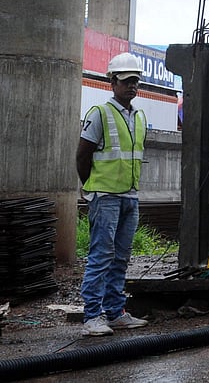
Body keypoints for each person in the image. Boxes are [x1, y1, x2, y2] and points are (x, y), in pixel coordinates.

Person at [76, 52, 151, 337]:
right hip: (106, 196)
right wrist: (91, 186)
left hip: (130, 196)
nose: (132, 86)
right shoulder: (100, 114)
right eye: (126, 81)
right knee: (101, 255)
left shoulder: (139, 117)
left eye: (135, 81)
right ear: (112, 82)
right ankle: (92, 316)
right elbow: (83, 154)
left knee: (120, 257)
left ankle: (116, 312)